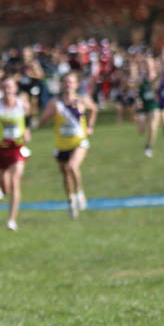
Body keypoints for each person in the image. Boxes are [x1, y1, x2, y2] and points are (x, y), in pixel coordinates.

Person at [37, 69, 97, 218]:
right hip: (61, 145)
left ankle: (80, 193)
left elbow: (94, 109)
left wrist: (90, 126)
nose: (67, 85)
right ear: (61, 85)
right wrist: (51, 114)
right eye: (65, 82)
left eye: (70, 82)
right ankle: (71, 201)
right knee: (66, 175)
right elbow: (41, 121)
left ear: (76, 84)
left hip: (79, 142)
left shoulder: (82, 100)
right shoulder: (55, 103)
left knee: (72, 166)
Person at [0, 74, 29, 230]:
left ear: (15, 88)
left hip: (17, 147)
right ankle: (0, 188)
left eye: (10, 86)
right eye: (4, 87)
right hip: (0, 147)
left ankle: (12, 220)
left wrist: (27, 130)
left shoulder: (22, 104)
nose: (7, 89)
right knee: (6, 187)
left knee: (15, 181)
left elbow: (27, 118)